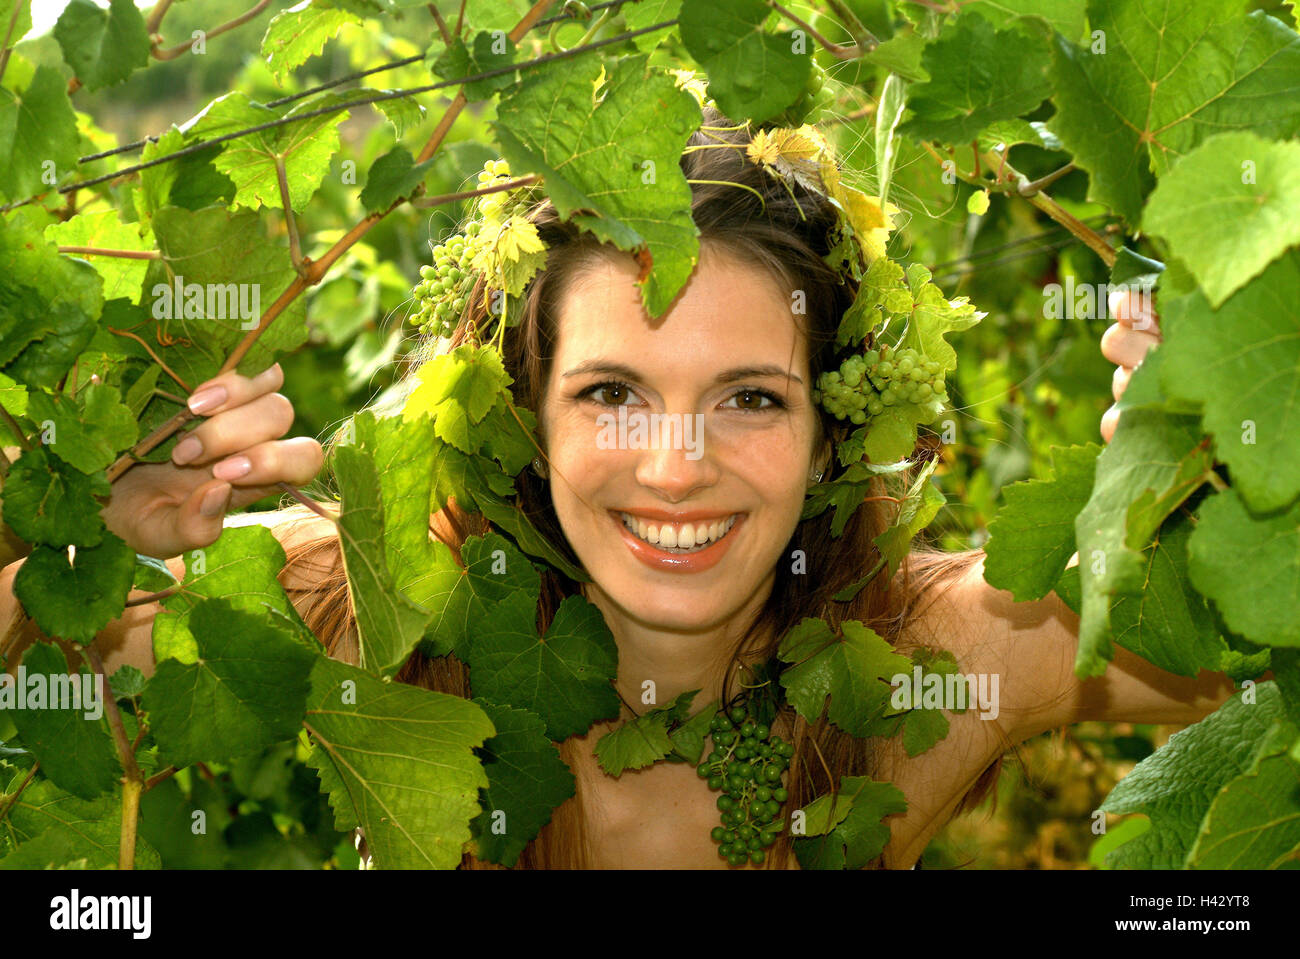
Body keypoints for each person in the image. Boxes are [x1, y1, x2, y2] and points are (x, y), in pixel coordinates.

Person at [0, 109, 1236, 870]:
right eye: (610, 394)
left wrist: (1222, 487)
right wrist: (58, 533)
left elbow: (1254, 655)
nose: (675, 463)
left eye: (752, 396)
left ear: (830, 436)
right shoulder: (367, 602)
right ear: (523, 421)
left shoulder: (953, 643)